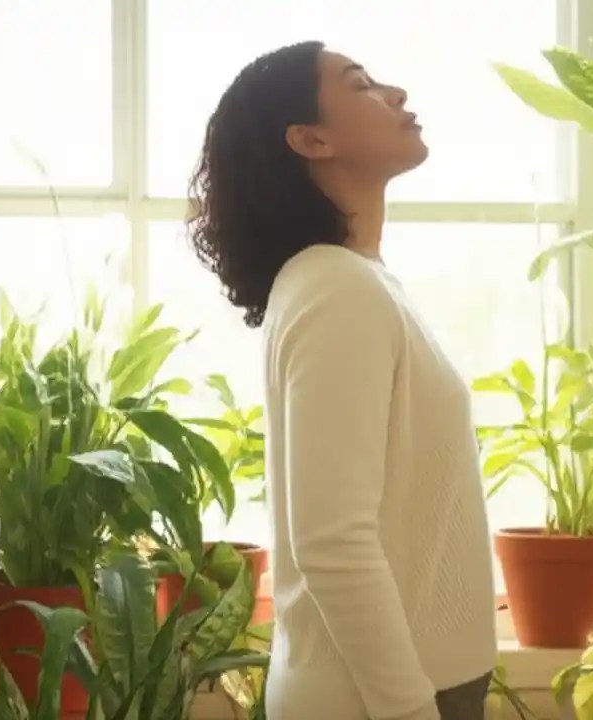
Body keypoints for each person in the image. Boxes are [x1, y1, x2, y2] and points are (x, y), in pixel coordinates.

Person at [187, 41, 497, 720]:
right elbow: (332, 542)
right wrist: (411, 710)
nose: (397, 94)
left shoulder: (356, 281)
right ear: (311, 139)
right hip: (383, 701)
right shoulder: (336, 287)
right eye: (362, 84)